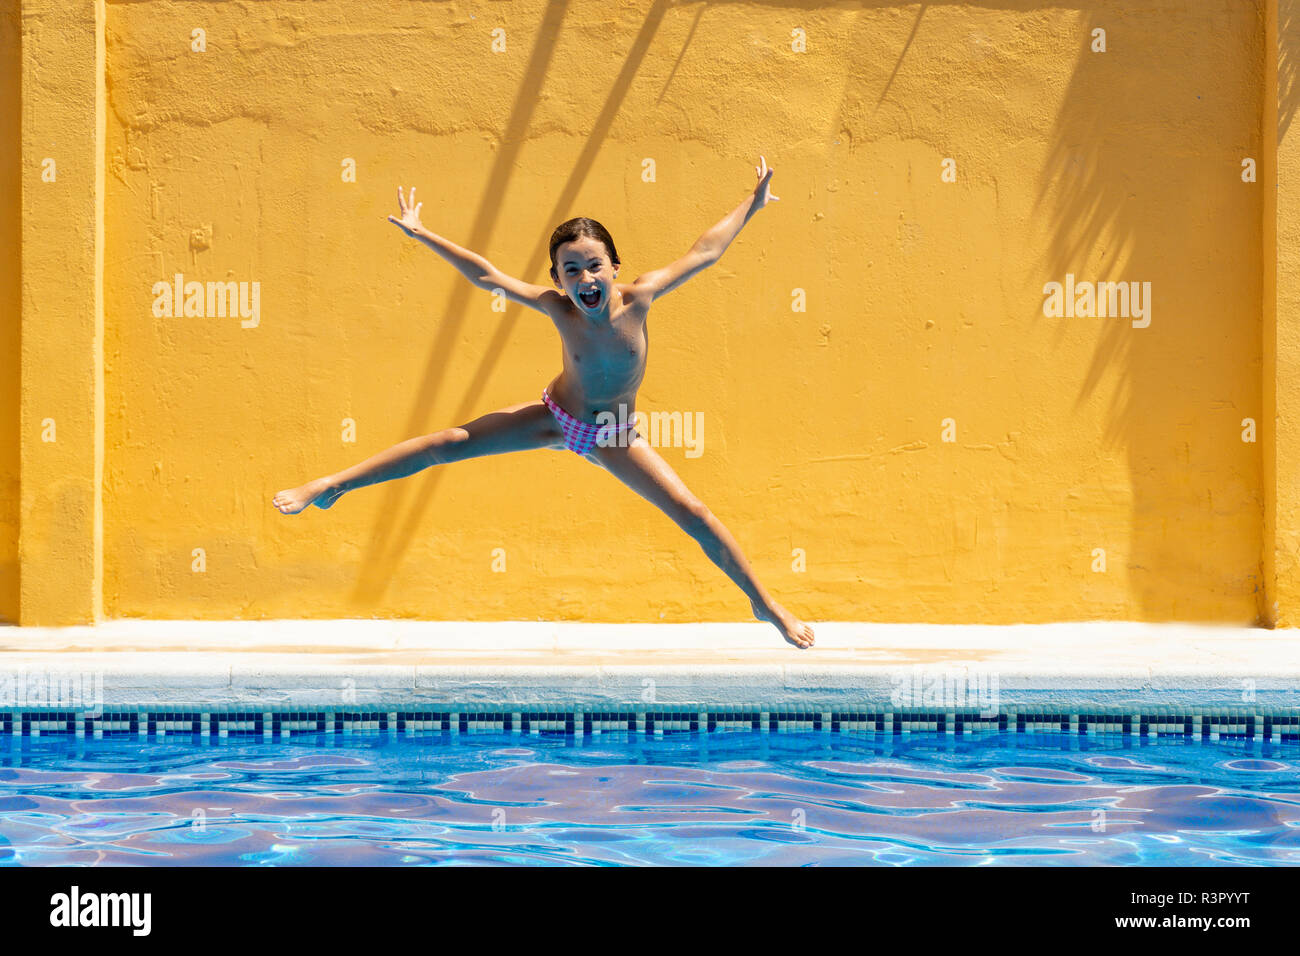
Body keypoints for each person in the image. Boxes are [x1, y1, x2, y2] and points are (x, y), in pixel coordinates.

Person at [273, 156, 814, 648]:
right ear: (557, 280)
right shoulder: (559, 309)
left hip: (615, 437)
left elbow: (706, 251)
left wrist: (754, 202)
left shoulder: (642, 296)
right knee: (447, 443)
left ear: (614, 267)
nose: (585, 278)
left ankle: (766, 606)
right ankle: (332, 485)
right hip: (556, 420)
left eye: (594, 265)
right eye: (571, 270)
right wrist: (422, 234)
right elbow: (486, 275)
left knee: (694, 513)